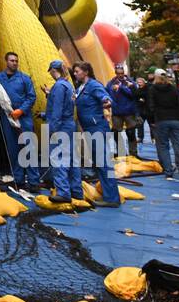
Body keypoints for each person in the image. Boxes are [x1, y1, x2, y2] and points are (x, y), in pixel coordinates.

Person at [72, 62, 120, 206]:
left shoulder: (93, 85)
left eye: (77, 71)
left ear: (86, 72)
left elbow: (106, 97)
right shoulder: (81, 88)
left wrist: (106, 101)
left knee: (104, 163)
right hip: (89, 129)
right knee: (99, 163)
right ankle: (108, 194)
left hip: (97, 128)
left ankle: (112, 198)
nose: (75, 74)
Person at [0, 52, 42, 190]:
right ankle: (18, 179)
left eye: (16, 61)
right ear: (6, 61)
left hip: (23, 118)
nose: (14, 63)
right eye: (12, 60)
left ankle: (34, 181)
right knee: (13, 149)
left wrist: (21, 110)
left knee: (29, 149)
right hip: (7, 117)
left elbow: (31, 97)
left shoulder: (24, 78)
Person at [148, 69, 179, 182]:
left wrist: (152, 120)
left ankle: (168, 172)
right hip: (176, 119)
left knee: (163, 147)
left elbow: (150, 106)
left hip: (161, 120)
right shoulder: (174, 89)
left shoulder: (153, 90)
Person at [44, 60, 82, 205]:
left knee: (58, 157)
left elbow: (57, 110)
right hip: (69, 125)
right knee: (71, 159)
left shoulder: (59, 86)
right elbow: (66, 106)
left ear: (54, 70)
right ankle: (76, 191)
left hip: (60, 126)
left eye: (51, 72)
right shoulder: (68, 85)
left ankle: (63, 193)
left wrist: (53, 129)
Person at [106, 63, 141, 158]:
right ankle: (121, 151)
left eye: (121, 73)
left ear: (124, 72)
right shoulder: (110, 83)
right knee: (116, 133)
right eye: (118, 73)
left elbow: (134, 95)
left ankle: (133, 153)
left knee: (131, 133)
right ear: (115, 73)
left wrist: (121, 87)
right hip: (116, 112)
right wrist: (108, 102)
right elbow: (106, 93)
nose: (120, 75)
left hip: (129, 112)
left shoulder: (130, 82)